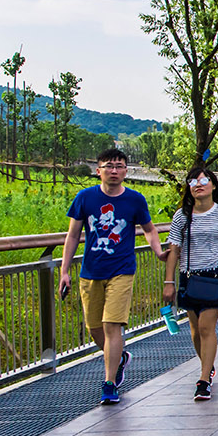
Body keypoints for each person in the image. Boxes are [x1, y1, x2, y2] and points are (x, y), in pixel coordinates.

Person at [60, 147, 163, 405]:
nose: (114, 171)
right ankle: (120, 357)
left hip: (122, 269)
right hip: (91, 271)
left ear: (126, 171)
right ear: (99, 171)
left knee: (111, 325)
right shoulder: (85, 198)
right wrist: (64, 271)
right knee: (94, 329)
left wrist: (159, 251)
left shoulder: (135, 200)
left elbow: (149, 230)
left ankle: (109, 383)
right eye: (109, 166)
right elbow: (73, 235)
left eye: (119, 166)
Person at [161, 165, 218, 402]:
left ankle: (203, 381)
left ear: (213, 185)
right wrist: (168, 282)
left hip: (215, 276)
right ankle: (207, 366)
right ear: (189, 188)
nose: (198, 185)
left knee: (205, 328)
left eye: (203, 181)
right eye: (193, 182)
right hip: (189, 277)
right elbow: (174, 249)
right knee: (194, 329)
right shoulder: (182, 215)